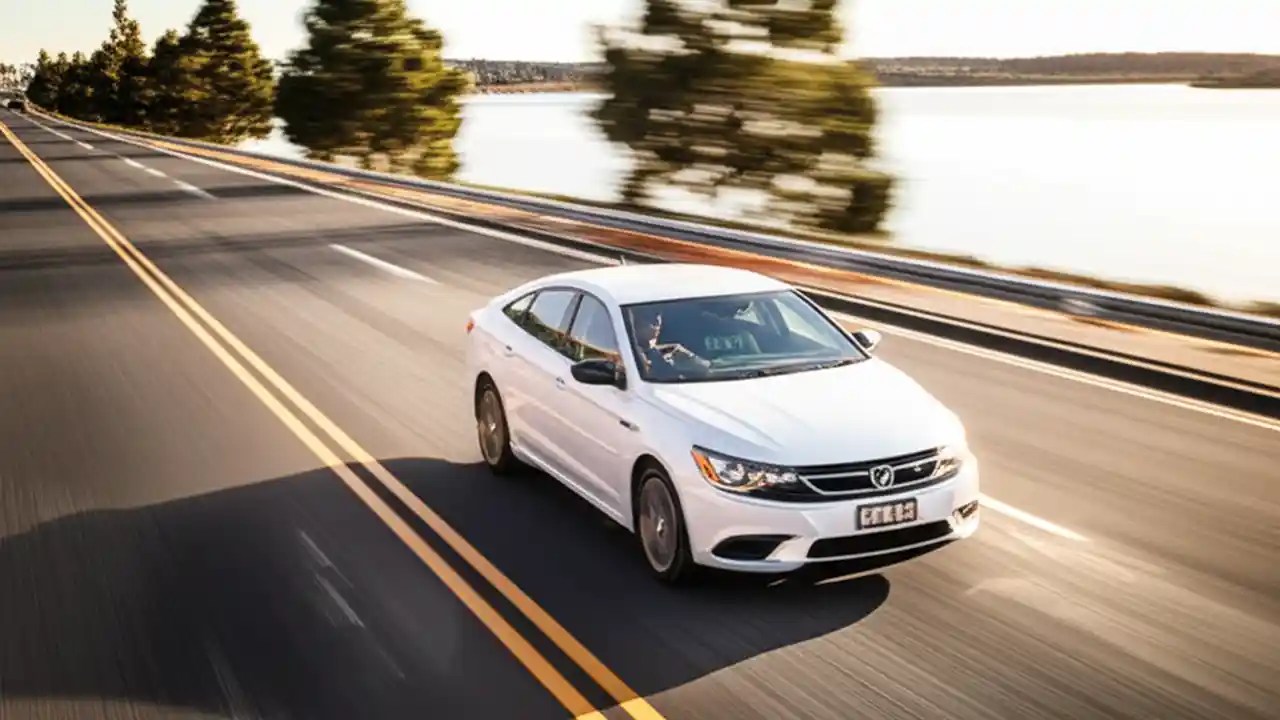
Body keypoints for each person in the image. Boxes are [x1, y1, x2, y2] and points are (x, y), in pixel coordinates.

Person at [630, 307, 710, 378]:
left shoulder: (674, 352)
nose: (656, 325)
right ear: (634, 324)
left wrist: (691, 359)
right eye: (648, 318)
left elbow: (707, 370)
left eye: (658, 317)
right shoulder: (627, 354)